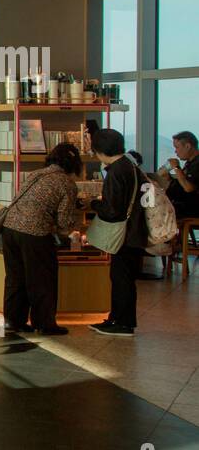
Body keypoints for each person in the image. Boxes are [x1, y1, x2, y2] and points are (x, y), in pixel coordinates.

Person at [0, 143, 84, 336]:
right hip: (34, 233)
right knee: (42, 280)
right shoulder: (67, 184)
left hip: (10, 228)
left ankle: (14, 321)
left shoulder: (36, 174)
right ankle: (44, 323)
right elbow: (64, 222)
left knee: (15, 278)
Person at [90, 129, 148, 337]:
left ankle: (122, 323)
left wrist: (93, 203)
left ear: (99, 150)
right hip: (134, 231)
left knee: (121, 278)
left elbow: (112, 210)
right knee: (124, 278)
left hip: (124, 234)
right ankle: (117, 318)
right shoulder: (130, 165)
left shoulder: (115, 171)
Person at [158, 130, 199, 220]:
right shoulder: (190, 163)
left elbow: (189, 187)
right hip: (183, 204)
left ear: (187, 146)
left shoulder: (197, 163)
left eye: (177, 147)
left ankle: (166, 234)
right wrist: (168, 178)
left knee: (157, 210)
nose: (176, 152)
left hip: (192, 208)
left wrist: (176, 167)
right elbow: (183, 182)